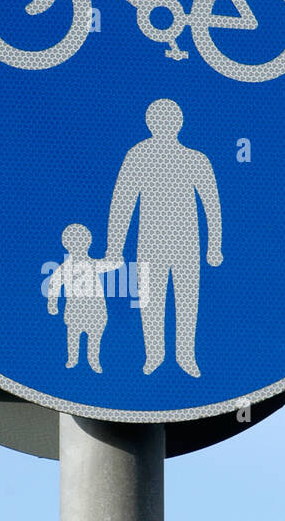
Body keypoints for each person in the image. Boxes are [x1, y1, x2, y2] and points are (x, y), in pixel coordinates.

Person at [106, 99, 222, 377]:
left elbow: (211, 205)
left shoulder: (196, 159)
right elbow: (123, 201)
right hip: (150, 241)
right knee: (150, 299)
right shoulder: (138, 155)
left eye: (170, 119)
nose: (164, 124)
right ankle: (154, 354)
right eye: (158, 119)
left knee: (187, 298)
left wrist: (214, 246)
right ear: (150, 123)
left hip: (186, 242)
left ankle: (186, 355)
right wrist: (114, 247)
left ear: (179, 123)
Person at [46, 224, 120, 372]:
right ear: (67, 245)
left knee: (95, 338)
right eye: (73, 242)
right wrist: (52, 303)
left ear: (88, 243)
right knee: (73, 335)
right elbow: (54, 285)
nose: (78, 246)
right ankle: (72, 359)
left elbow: (111, 264)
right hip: (75, 311)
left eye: (82, 241)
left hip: (96, 311)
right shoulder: (65, 267)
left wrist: (116, 255)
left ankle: (94, 361)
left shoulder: (92, 264)